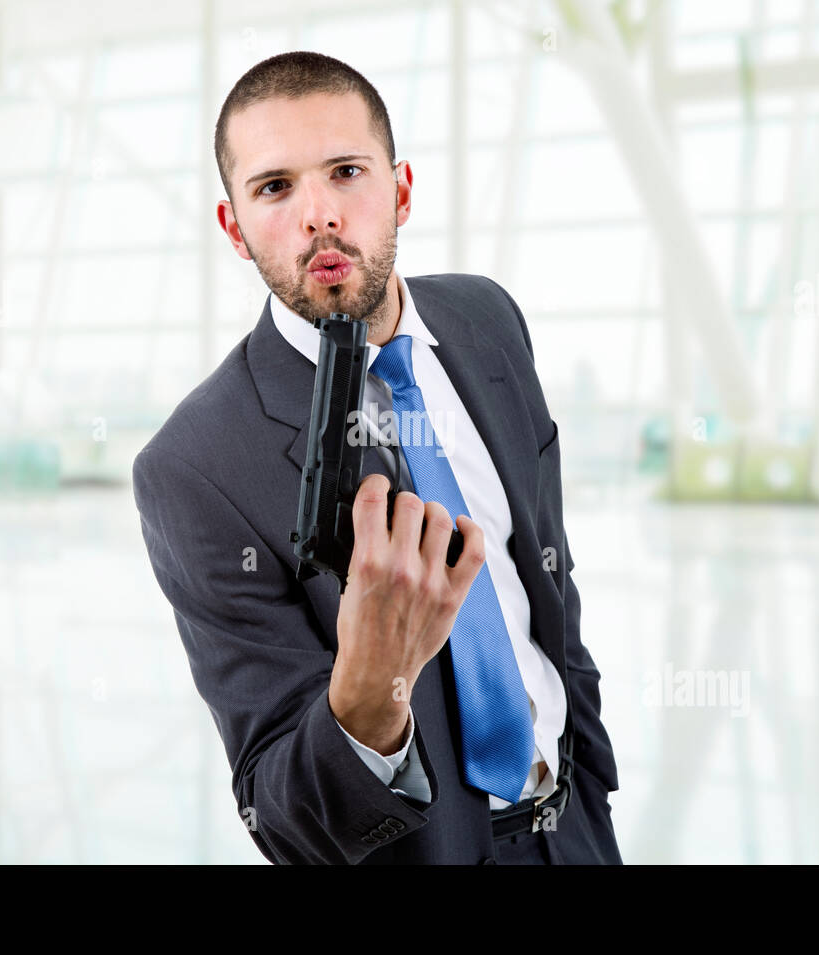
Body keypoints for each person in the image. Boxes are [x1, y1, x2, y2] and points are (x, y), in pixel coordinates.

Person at [132, 50, 621, 864]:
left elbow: (545, 581)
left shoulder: (489, 319)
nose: (318, 214)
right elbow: (281, 814)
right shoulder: (193, 466)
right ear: (235, 228)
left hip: (575, 830)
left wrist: (591, 779)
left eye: (347, 172)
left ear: (399, 188)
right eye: (275, 187)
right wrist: (369, 688)